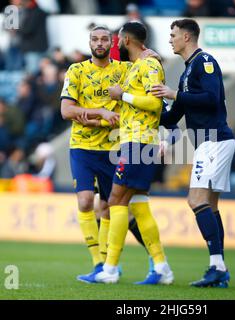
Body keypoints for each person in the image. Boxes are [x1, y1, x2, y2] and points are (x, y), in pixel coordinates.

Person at [60, 25, 156, 283]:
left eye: (104, 39)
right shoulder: (76, 70)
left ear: (113, 43)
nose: (99, 43)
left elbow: (149, 71)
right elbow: (67, 111)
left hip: (114, 148)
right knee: (85, 202)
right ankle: (98, 263)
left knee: (111, 207)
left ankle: (132, 262)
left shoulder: (124, 69)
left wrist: (151, 54)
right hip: (82, 147)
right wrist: (101, 114)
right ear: (89, 42)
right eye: (95, 39)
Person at [151, 18, 235, 288]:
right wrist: (144, 105)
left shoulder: (204, 62)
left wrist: (175, 94)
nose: (170, 39)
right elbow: (173, 116)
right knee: (210, 206)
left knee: (195, 200)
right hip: (207, 142)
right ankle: (218, 269)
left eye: (173, 34)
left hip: (213, 139)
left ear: (187, 37)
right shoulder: (188, 71)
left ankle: (217, 267)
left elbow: (212, 98)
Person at [95, 21, 174, 285]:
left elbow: (155, 103)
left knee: (115, 200)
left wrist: (123, 96)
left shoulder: (150, 65)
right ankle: (161, 267)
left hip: (140, 143)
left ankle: (110, 268)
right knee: (139, 205)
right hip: (134, 140)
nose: (116, 43)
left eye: (118, 39)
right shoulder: (140, 64)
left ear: (125, 39)